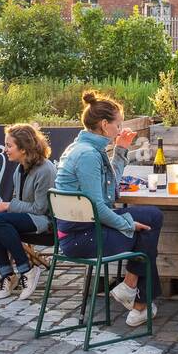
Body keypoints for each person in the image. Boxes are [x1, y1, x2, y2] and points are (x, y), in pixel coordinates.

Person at [54, 92, 162, 327]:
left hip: (81, 229)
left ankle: (132, 290)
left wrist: (120, 150)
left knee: (152, 216)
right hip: (82, 237)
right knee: (146, 228)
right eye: (118, 124)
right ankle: (138, 298)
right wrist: (127, 224)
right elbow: (99, 208)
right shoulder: (88, 156)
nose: (120, 128)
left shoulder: (81, 148)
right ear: (104, 125)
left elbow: (108, 193)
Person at [0, 123, 56, 300]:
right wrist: (7, 207)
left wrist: (7, 206)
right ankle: (7, 274)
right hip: (28, 217)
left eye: (9, 145)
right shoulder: (19, 169)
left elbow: (40, 208)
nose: (5, 149)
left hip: (46, 221)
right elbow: (20, 203)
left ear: (23, 148)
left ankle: (27, 270)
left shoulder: (45, 170)